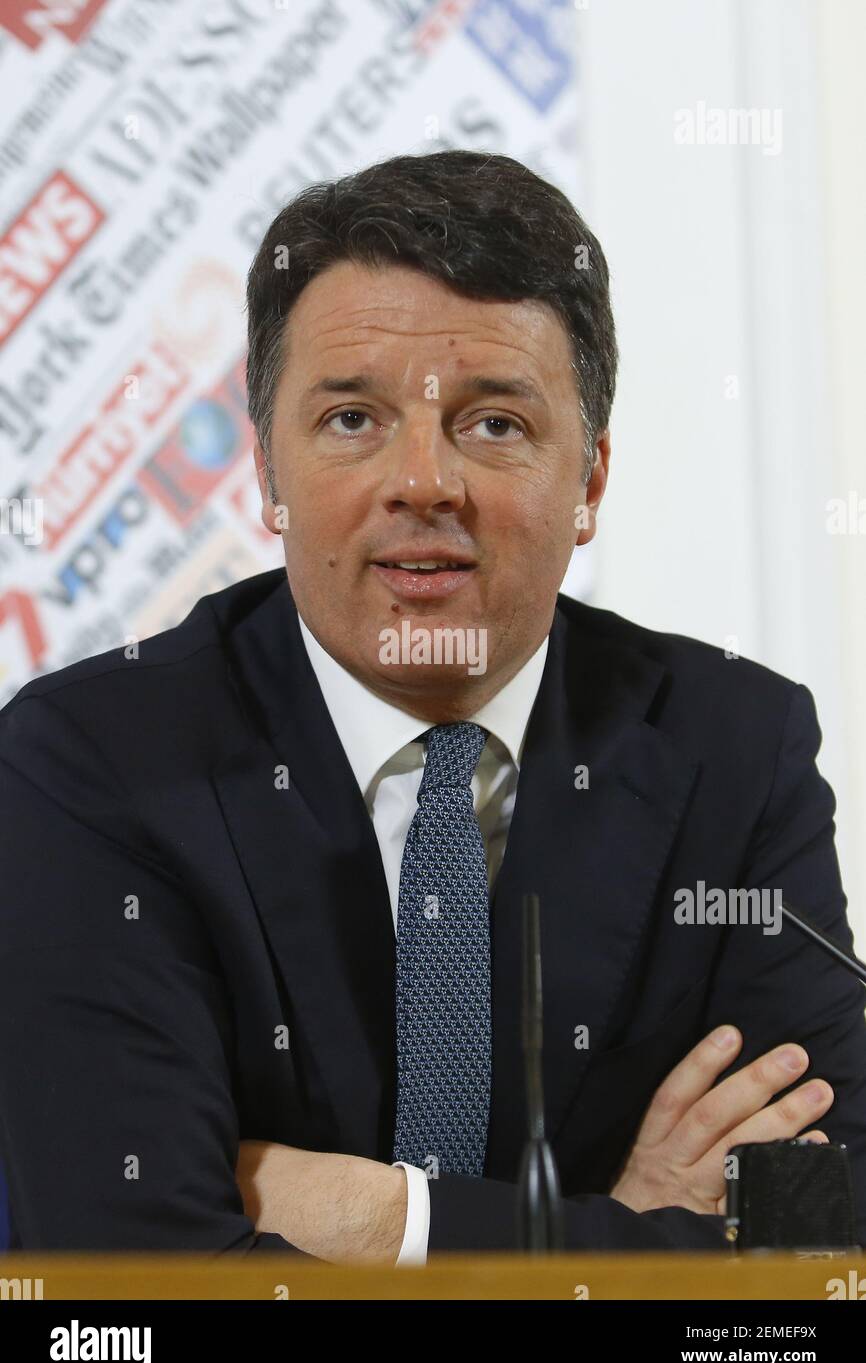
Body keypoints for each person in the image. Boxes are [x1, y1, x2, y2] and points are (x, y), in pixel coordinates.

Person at [0, 151, 863, 1261]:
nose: (423, 482)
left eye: (493, 423)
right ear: (266, 465)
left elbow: (815, 1256)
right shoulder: (91, 762)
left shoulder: (735, 748)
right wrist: (627, 1236)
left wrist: (382, 1220)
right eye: (352, 419)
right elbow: (133, 1292)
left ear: (589, 479)